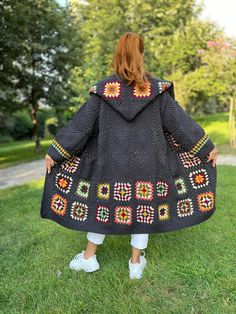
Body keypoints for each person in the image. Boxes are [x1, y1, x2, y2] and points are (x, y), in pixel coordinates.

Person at [41, 32, 218, 280]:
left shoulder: (103, 92)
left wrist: (55, 152)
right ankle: (135, 265)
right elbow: (180, 125)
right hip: (149, 165)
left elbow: (80, 127)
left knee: (99, 207)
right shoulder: (156, 92)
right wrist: (205, 146)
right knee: (142, 209)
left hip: (110, 165)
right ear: (141, 55)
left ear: (117, 56)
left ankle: (89, 259)